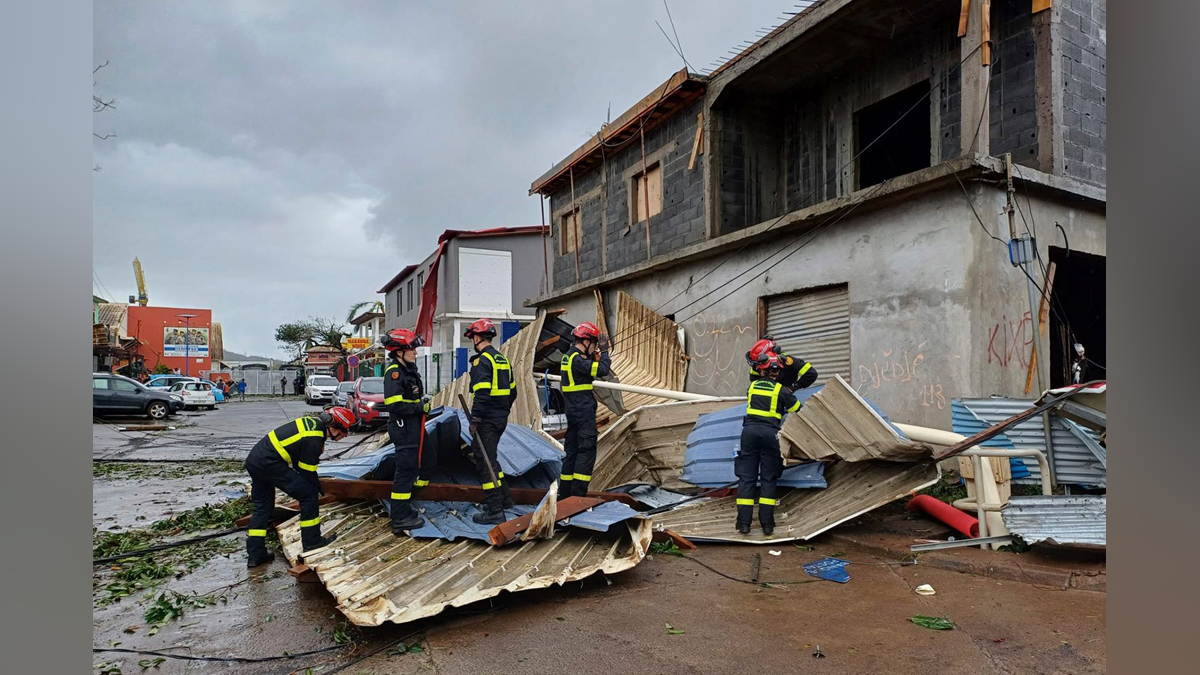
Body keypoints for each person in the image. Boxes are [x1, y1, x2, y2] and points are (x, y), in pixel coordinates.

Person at [243, 406, 357, 567]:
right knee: (309, 496)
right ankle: (312, 542)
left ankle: (256, 555)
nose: (346, 435)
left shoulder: (311, 425)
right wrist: (318, 488)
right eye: (346, 431)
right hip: (270, 464)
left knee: (263, 508)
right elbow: (306, 471)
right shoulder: (315, 438)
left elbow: (299, 464)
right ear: (336, 426)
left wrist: (314, 483)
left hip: (255, 461)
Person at [736, 353, 801, 536]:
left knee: (746, 478)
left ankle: (743, 524)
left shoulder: (752, 387)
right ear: (778, 372)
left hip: (749, 433)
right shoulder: (781, 390)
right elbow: (797, 409)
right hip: (770, 434)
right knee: (768, 479)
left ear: (761, 370)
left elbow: (753, 377)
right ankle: (767, 525)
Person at [464, 318, 516, 524]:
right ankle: (505, 500)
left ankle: (495, 510)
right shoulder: (502, 359)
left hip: (486, 419)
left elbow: (482, 393)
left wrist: (475, 419)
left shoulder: (481, 361)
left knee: (485, 462)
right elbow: (513, 391)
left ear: (477, 337)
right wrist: (502, 411)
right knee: (491, 459)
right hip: (500, 417)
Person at [381, 328, 430, 534]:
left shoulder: (408, 370)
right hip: (404, 427)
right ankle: (399, 517)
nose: (415, 353)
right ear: (399, 351)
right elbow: (394, 404)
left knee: (423, 460)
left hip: (413, 425)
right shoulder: (395, 373)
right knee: (406, 469)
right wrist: (420, 407)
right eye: (412, 349)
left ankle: (406, 506)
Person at [558, 322, 610, 498]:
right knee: (586, 453)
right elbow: (603, 370)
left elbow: (582, 374)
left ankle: (564, 495)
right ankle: (578, 497)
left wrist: (592, 356)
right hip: (583, 412)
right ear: (586, 342)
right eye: (595, 343)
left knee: (571, 453)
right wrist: (604, 352)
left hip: (572, 412)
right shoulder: (577, 359)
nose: (596, 347)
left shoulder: (568, 357)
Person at [746, 336, 818, 391]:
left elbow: (811, 374)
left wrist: (793, 387)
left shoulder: (787, 361)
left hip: (786, 396)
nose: (756, 367)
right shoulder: (756, 365)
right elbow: (754, 381)